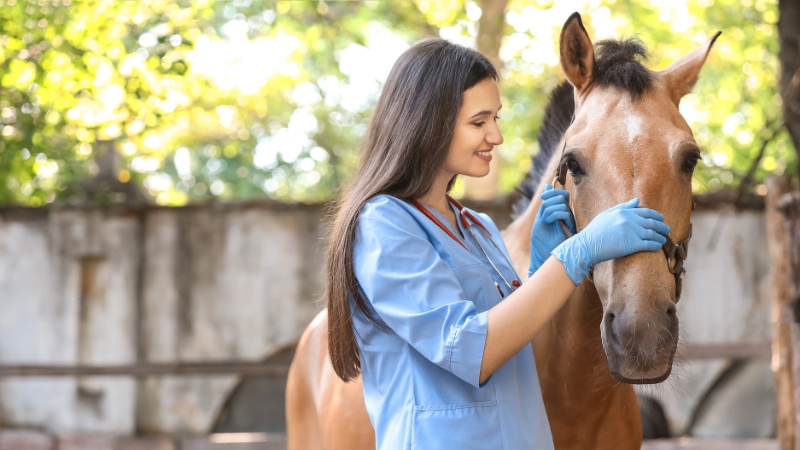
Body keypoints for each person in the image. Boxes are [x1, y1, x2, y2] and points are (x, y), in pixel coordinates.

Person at [324, 38, 670, 449]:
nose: (497, 136)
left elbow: (511, 337)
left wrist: (541, 266)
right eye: (479, 122)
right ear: (428, 122)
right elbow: (472, 350)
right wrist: (577, 253)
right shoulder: (384, 225)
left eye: (497, 118)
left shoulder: (478, 227)